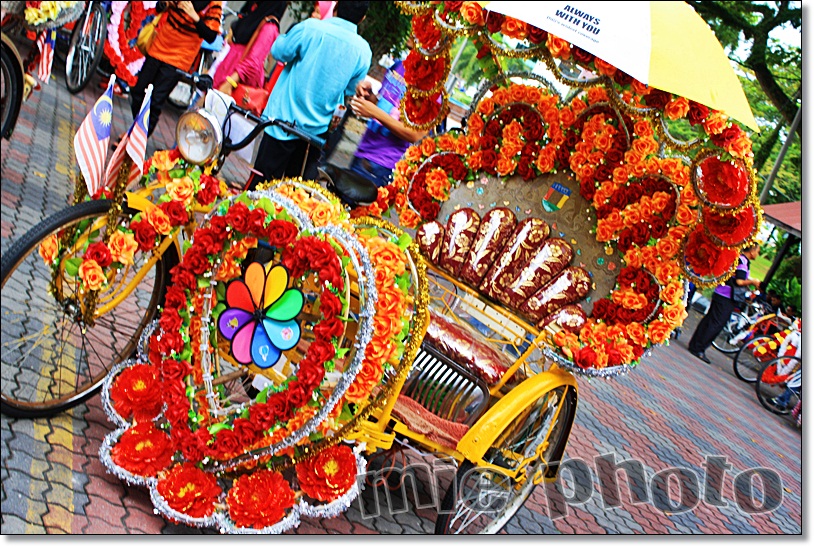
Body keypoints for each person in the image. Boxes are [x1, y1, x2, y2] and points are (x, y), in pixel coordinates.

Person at [250, 1, 372, 187]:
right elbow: (350, 89)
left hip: (282, 123)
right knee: (294, 196)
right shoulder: (363, 50)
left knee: (260, 185)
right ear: (362, 18)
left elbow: (279, 51)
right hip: (315, 135)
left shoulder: (310, 28)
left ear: (336, 7)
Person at [130, 1, 223, 138]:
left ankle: (135, 140)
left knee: (155, 102)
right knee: (138, 90)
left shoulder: (214, 3)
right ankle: (134, 132)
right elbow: (160, 7)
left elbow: (210, 36)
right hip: (159, 45)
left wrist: (194, 16)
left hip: (179, 58)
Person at [347, 44, 428, 187]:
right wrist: (369, 96)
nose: (413, 29)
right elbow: (385, 107)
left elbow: (417, 134)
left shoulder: (429, 85)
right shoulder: (398, 66)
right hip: (363, 151)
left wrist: (373, 111)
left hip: (382, 164)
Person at [687, 243, 761, 363]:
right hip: (726, 297)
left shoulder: (738, 258)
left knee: (709, 320)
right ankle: (698, 348)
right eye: (757, 251)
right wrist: (753, 281)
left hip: (721, 293)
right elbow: (739, 281)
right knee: (715, 324)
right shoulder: (742, 261)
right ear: (752, 251)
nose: (757, 254)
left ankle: (695, 345)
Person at [211, 1, 288, 96]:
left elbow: (253, 63)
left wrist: (230, 83)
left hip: (233, 86)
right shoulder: (252, 16)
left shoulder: (269, 27)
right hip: (224, 76)